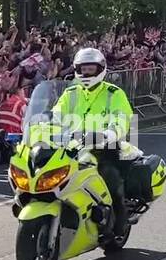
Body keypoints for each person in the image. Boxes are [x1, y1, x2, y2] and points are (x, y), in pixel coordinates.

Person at [51, 47, 134, 239]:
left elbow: (122, 118)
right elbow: (55, 114)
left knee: (110, 178)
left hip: (104, 147)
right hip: (73, 146)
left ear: (101, 69)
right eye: (83, 69)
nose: (86, 73)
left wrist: (110, 133)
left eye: (91, 69)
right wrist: (41, 127)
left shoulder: (114, 93)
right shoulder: (71, 93)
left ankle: (119, 221)